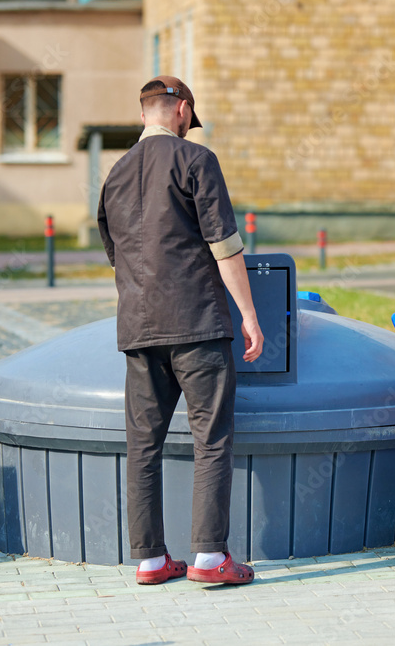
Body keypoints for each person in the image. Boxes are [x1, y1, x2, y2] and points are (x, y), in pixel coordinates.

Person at [98, 75, 263, 585]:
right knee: (210, 439)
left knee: (141, 445)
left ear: (145, 111)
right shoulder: (198, 160)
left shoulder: (115, 174)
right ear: (182, 110)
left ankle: (150, 560)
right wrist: (249, 316)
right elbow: (224, 244)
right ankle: (210, 559)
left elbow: (116, 258)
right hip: (197, 323)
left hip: (138, 329)